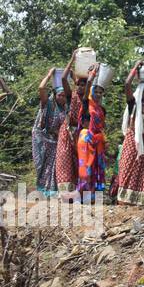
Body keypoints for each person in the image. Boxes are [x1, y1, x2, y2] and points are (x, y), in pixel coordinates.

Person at [116, 63, 144, 206]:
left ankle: (138, 203)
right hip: (133, 143)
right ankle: (124, 202)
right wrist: (135, 68)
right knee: (128, 170)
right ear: (140, 91)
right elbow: (127, 84)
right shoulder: (134, 105)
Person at [53, 53, 90, 198]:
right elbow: (63, 78)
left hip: (79, 134)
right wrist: (73, 59)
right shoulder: (70, 95)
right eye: (79, 84)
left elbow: (90, 85)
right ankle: (64, 193)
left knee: (78, 163)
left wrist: (92, 73)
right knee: (64, 161)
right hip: (67, 132)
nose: (81, 87)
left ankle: (76, 194)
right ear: (75, 85)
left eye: (83, 85)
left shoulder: (87, 99)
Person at [32, 68, 68, 196]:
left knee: (57, 167)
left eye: (64, 95)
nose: (62, 98)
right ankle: (45, 191)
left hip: (58, 141)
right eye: (60, 95)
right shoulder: (48, 104)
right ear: (55, 94)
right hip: (45, 140)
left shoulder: (65, 108)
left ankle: (53, 191)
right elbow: (41, 88)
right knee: (46, 168)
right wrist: (48, 74)